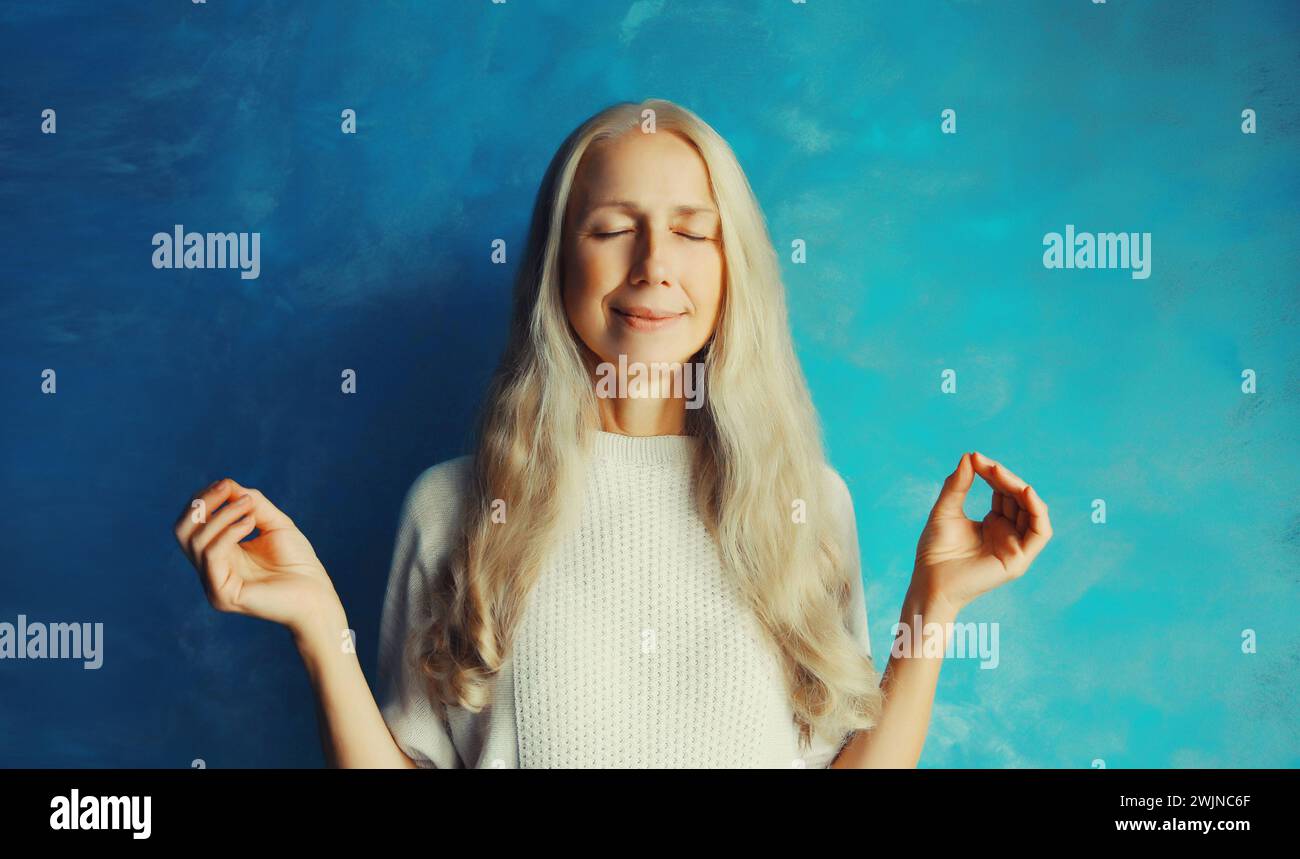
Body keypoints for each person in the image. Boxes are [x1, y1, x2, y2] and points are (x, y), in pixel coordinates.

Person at [171, 98, 1052, 768]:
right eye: (611, 228)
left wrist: (932, 607)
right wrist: (321, 629)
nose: (653, 265)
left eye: (690, 232)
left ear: (729, 267)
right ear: (559, 263)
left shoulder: (808, 504)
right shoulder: (452, 506)